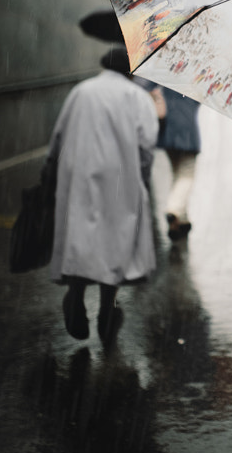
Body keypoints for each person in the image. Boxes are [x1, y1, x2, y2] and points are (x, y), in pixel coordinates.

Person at [47, 46, 159, 346]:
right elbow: (147, 145)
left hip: (79, 176)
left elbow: (57, 137)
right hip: (121, 179)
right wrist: (142, 178)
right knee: (115, 240)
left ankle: (76, 294)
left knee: (82, 236)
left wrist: (53, 169)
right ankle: (108, 307)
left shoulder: (81, 91)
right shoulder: (137, 97)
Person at [133, 78, 202, 240]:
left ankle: (182, 219)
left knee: (176, 171)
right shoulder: (193, 76)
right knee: (187, 173)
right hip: (186, 128)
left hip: (167, 127)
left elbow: (143, 88)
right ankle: (174, 209)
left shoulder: (163, 72)